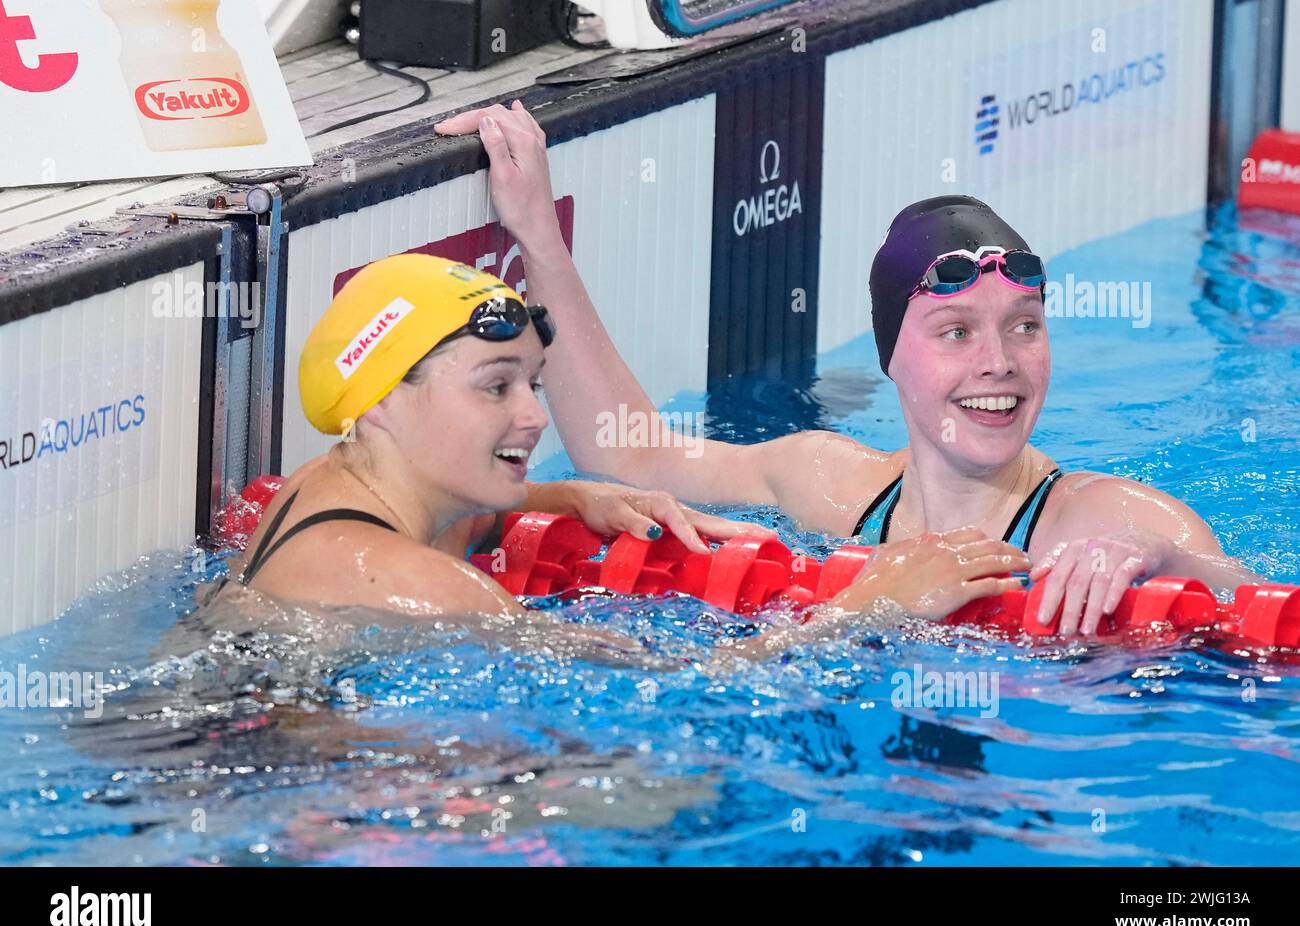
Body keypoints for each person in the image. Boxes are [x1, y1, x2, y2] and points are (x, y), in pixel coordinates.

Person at [433, 101, 1261, 639]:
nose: (999, 363)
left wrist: (1167, 565)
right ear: (891, 356)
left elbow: (1260, 615)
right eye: (955, 332)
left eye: (1025, 327)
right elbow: (632, 455)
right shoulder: (830, 483)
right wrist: (538, 235)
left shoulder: (1115, 519)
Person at [213, 252, 1030, 651]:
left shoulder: (328, 484)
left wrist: (567, 497)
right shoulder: (405, 580)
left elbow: (426, 509)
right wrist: (864, 606)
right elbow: (664, 684)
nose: (534, 418)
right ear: (383, 401)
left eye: (533, 384)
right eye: (496, 387)